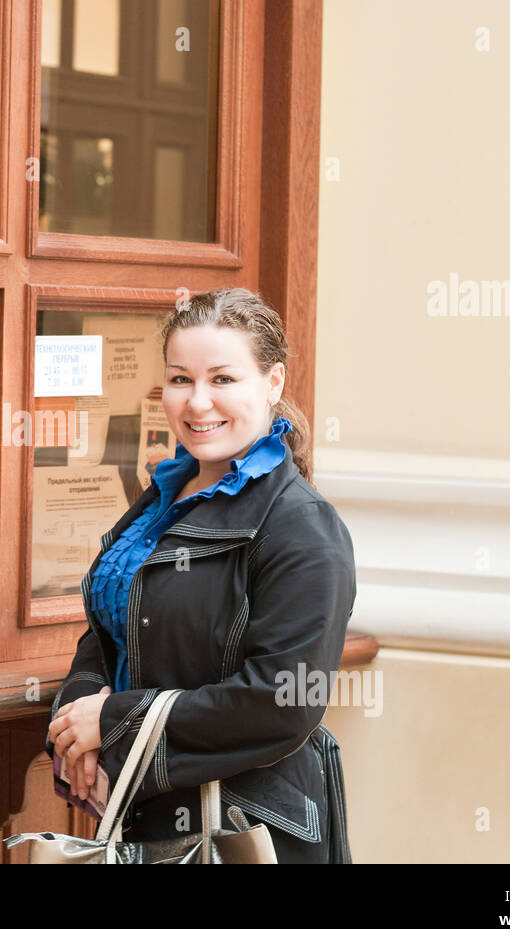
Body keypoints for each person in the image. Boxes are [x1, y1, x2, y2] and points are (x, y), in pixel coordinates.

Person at [46, 288, 357, 863]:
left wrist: (112, 725)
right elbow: (111, 626)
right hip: (147, 816)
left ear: (274, 383)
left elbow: (283, 701)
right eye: (180, 379)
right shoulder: (164, 495)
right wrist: (79, 728)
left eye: (223, 379)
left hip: (246, 833)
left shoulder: (303, 528)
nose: (197, 403)